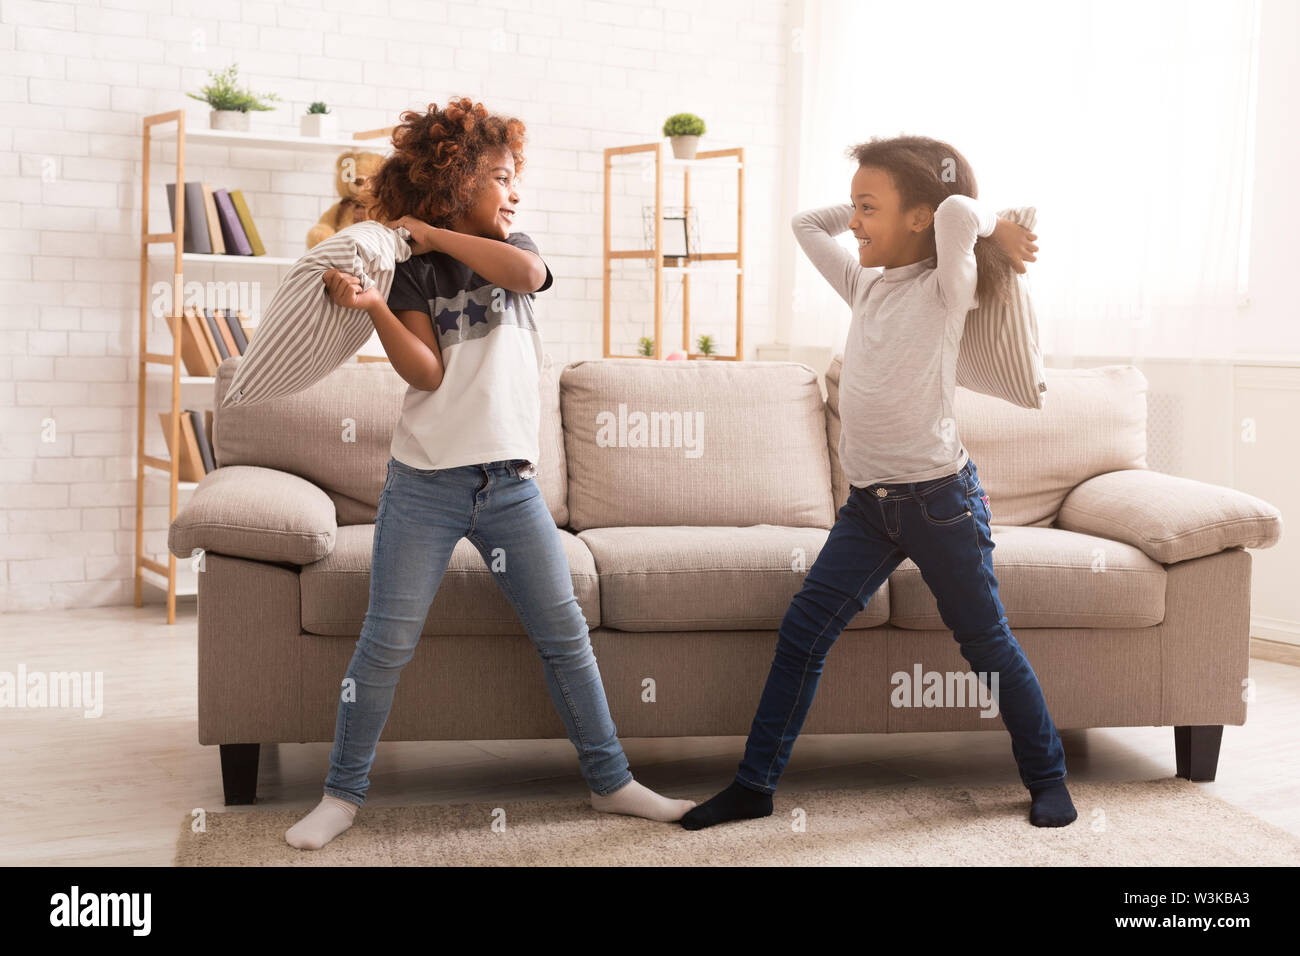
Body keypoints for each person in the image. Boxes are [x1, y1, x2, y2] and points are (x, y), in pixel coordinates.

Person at [286, 98, 694, 850]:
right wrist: (377, 302)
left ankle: (611, 782)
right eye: (499, 177)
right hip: (426, 485)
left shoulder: (513, 249)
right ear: (451, 179)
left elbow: (528, 271)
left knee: (564, 635)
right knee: (386, 642)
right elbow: (427, 374)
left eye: (515, 178)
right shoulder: (411, 276)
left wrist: (433, 232)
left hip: (511, 486)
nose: (514, 191)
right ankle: (342, 796)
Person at [682, 134, 1078, 831]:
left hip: (941, 504)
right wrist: (870, 207)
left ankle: (1049, 779)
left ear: (920, 218)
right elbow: (807, 224)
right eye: (855, 207)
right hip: (869, 509)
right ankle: (754, 785)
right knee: (803, 632)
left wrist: (991, 224)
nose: (855, 223)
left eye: (869, 208)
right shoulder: (862, 283)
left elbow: (958, 210)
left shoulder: (946, 287)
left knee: (985, 643)